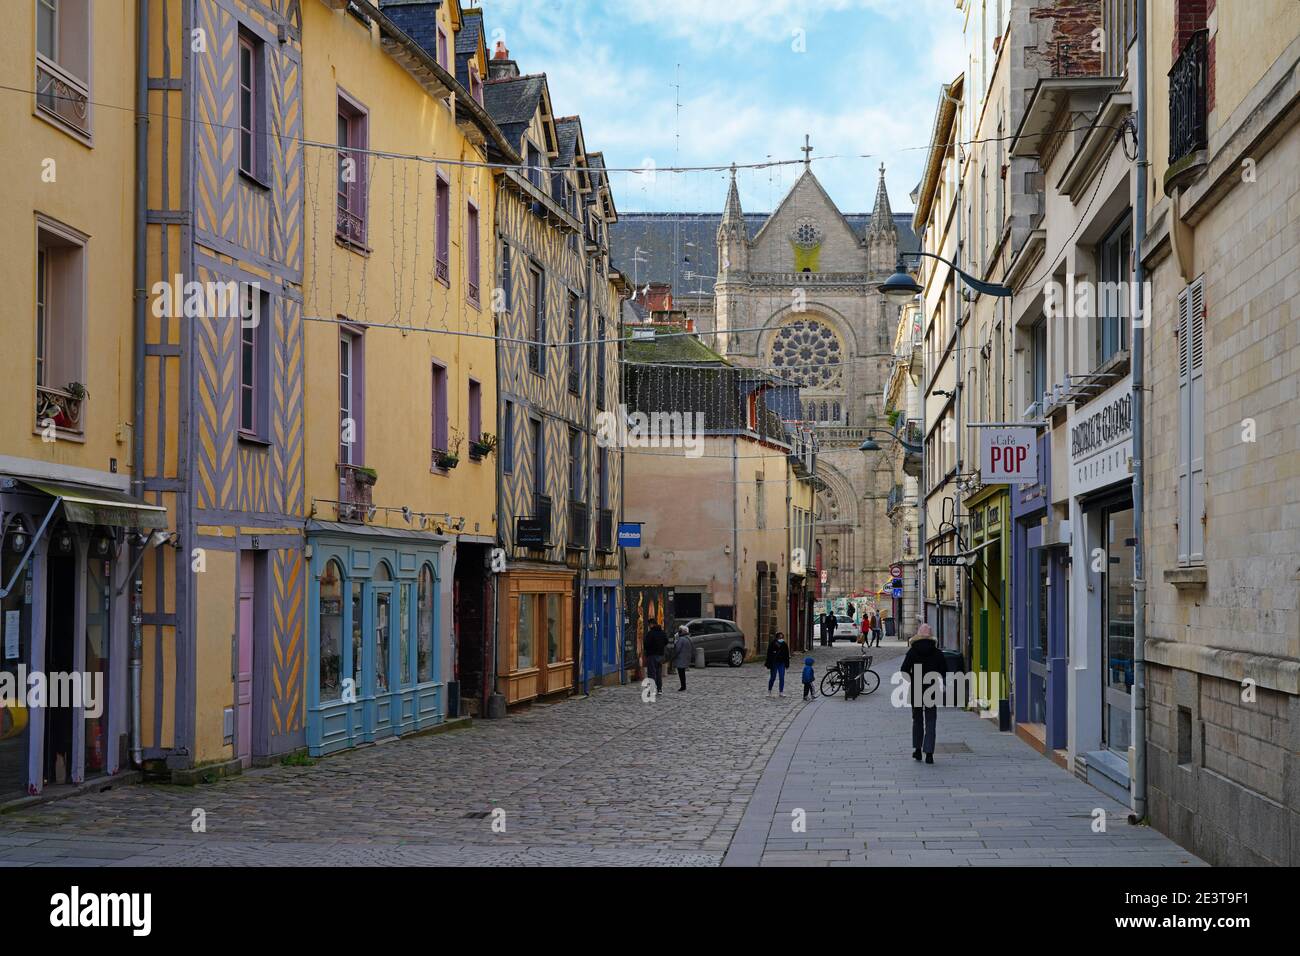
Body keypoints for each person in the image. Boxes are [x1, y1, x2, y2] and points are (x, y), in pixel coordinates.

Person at [899, 623, 947, 764]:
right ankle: (930, 753)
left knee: (917, 720)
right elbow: (944, 671)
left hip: (917, 689)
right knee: (931, 721)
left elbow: (904, 670)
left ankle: (918, 750)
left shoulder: (913, 652)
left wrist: (912, 679)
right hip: (932, 690)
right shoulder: (937, 653)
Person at [643, 622, 668, 693]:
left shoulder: (650, 633)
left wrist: (649, 649)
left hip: (652, 655)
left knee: (652, 673)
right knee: (658, 673)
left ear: (651, 625)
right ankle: (659, 689)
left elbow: (646, 644)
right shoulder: (662, 633)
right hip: (660, 655)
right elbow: (666, 641)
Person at [765, 631, 791, 696]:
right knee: (773, 677)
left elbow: (787, 655)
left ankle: (781, 691)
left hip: (782, 663)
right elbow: (769, 654)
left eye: (782, 637)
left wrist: (787, 663)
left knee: (782, 677)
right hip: (774, 663)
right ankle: (769, 690)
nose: (781, 638)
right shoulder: (772, 644)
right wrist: (768, 663)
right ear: (777, 637)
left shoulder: (784, 644)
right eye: (780, 637)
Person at [671, 624, 694, 692]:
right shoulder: (688, 638)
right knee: (682, 673)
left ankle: (683, 686)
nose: (678, 632)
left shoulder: (681, 639)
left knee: (681, 673)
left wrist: (673, 656)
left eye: (680, 630)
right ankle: (683, 685)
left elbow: (677, 649)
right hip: (686, 657)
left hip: (681, 658)